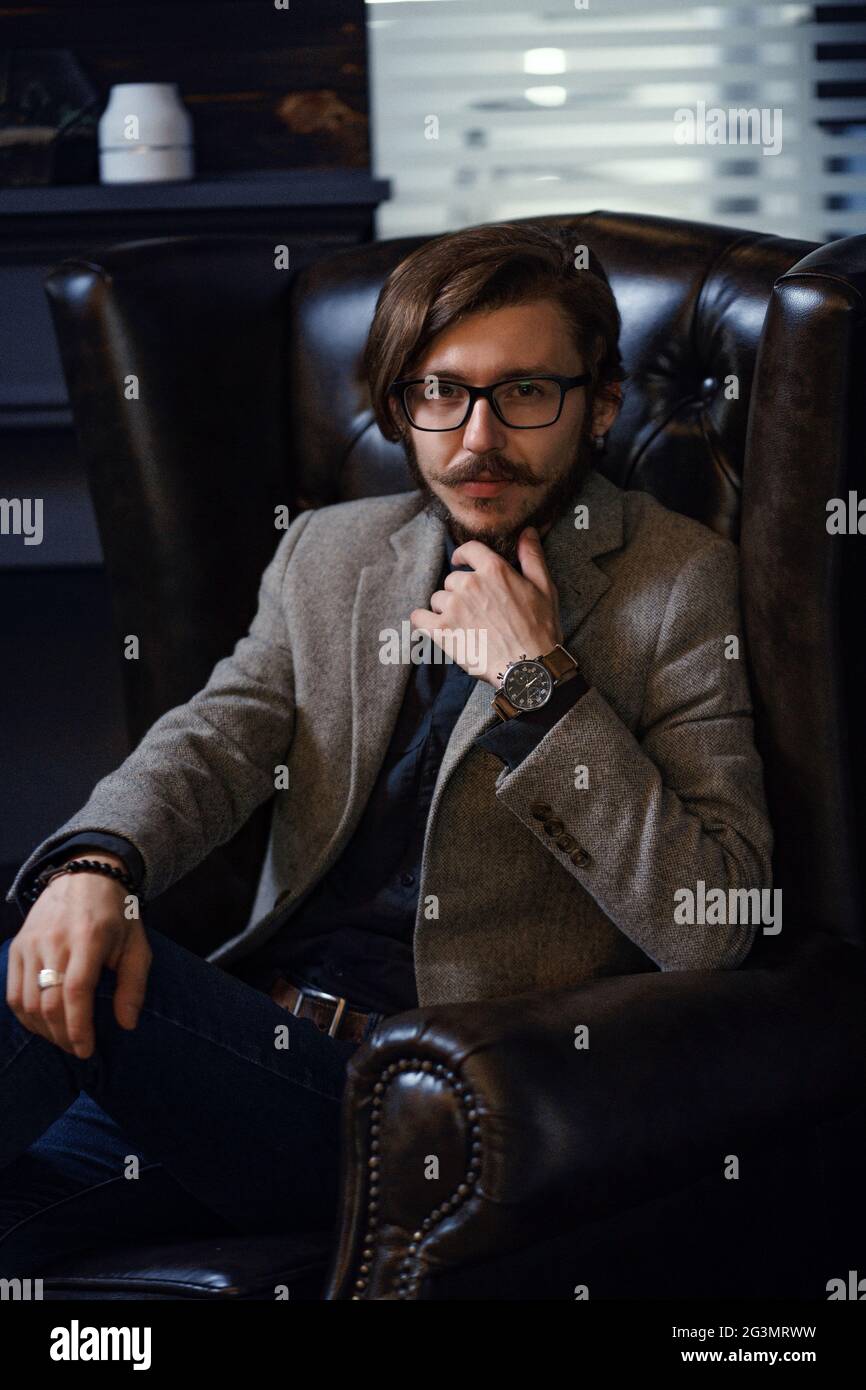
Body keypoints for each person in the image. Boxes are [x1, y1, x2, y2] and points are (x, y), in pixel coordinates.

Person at [0, 220, 773, 1280]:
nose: (475, 438)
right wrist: (97, 863)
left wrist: (538, 682)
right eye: (439, 392)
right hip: (240, 1057)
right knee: (50, 936)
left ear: (599, 402)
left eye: (524, 392)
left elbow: (710, 919)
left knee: (63, 969)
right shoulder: (333, 550)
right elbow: (214, 741)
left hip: (423, 1105)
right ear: (400, 405)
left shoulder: (678, 583)